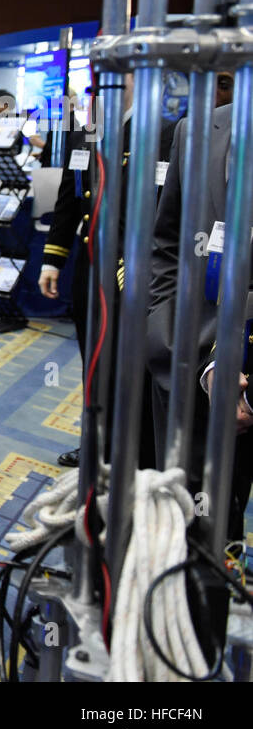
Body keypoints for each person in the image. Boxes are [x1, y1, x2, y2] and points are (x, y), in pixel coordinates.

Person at [40, 72, 171, 468]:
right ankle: (95, 441)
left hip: (136, 271)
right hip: (89, 266)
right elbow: (69, 196)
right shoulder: (88, 132)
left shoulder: (163, 132)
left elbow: (167, 212)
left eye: (121, 74)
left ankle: (133, 452)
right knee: (93, 356)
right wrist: (53, 258)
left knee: (133, 364)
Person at [148, 100, 252, 544]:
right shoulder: (197, 129)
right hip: (185, 363)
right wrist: (165, 331)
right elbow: (167, 241)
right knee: (187, 522)